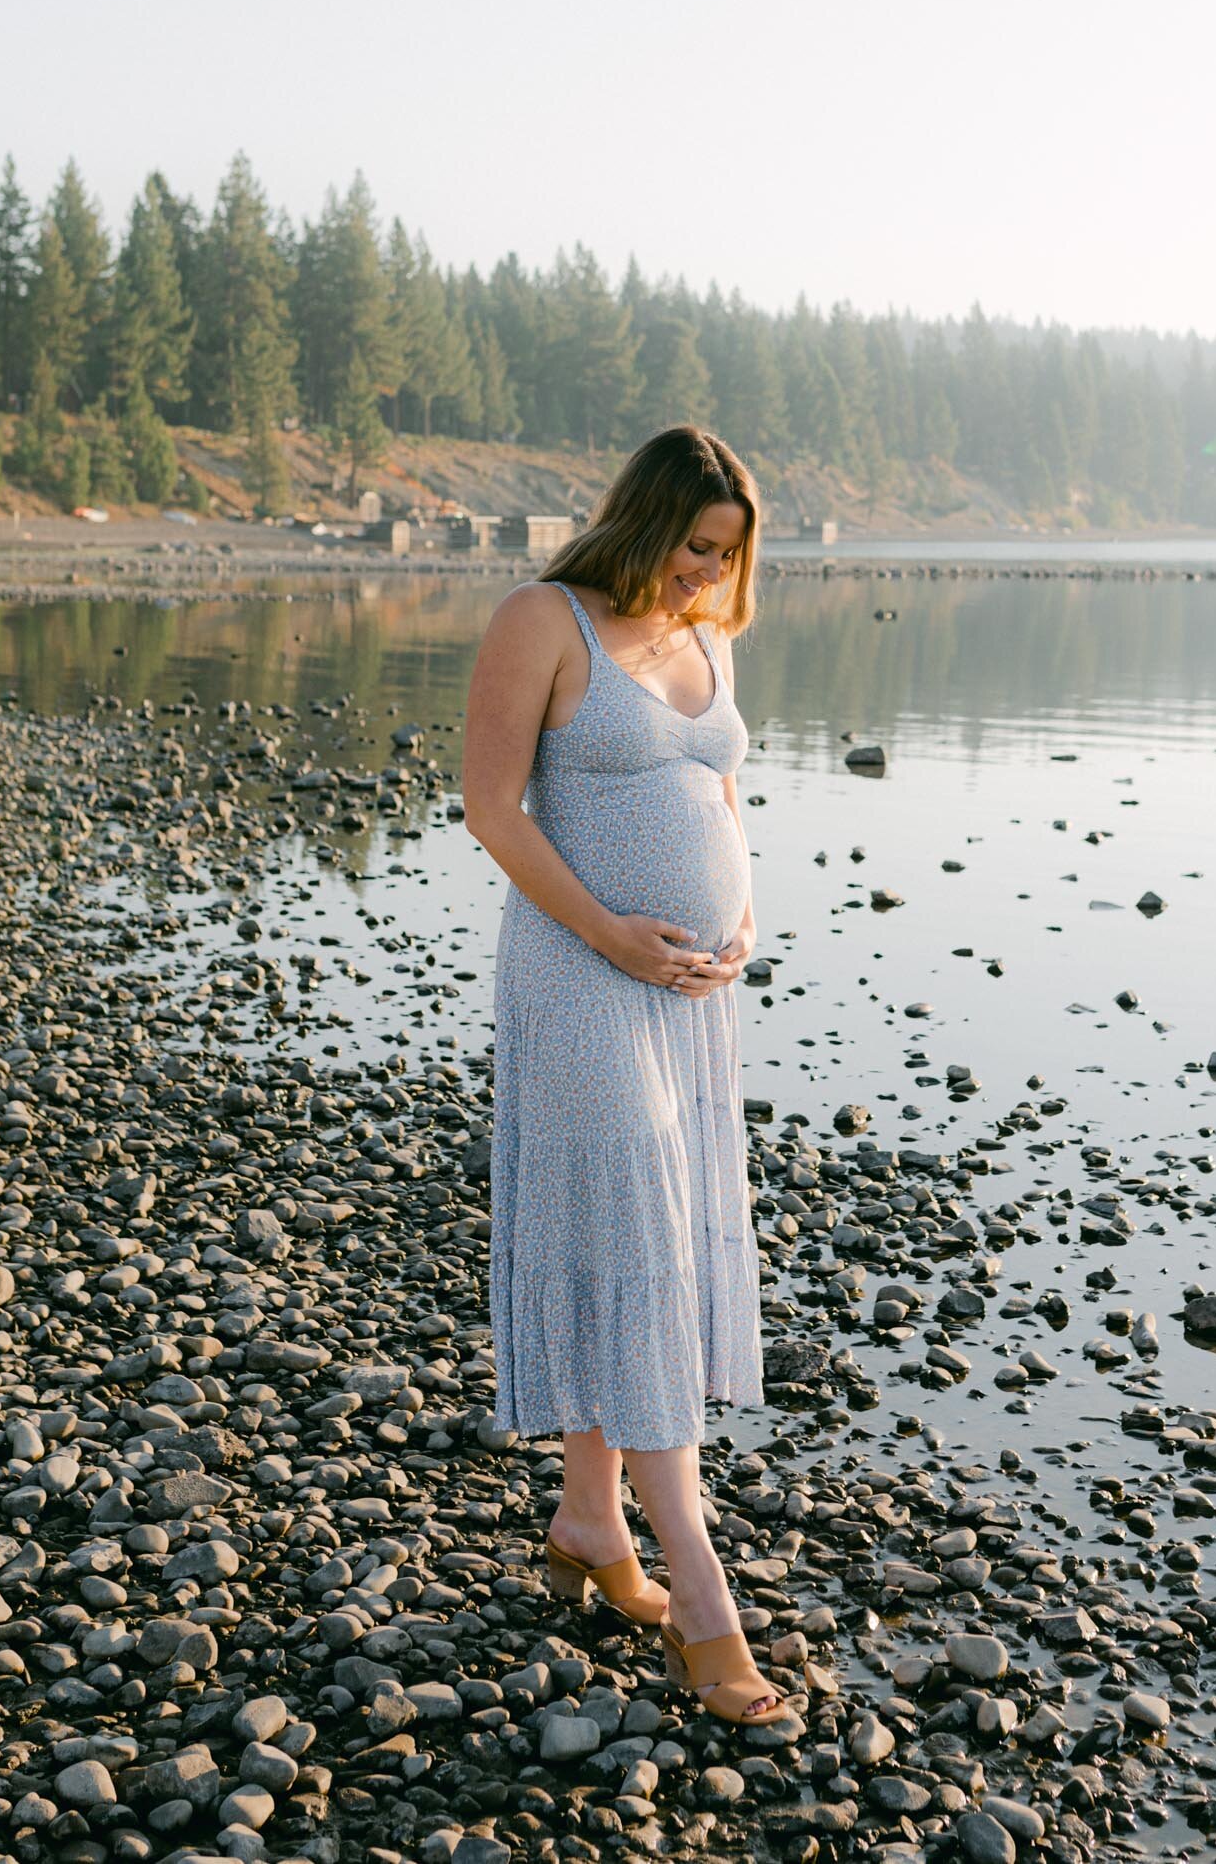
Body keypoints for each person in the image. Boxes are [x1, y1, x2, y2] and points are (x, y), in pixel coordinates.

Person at [462, 423, 786, 1726]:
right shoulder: (543, 621)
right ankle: (703, 1598)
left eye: (729, 555)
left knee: (637, 1239)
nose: (709, 572)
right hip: (580, 975)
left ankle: (591, 1522)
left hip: (689, 997)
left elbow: (722, 802)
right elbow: (492, 809)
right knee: (640, 1244)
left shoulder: (707, 638)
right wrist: (610, 933)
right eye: (696, 545)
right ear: (645, 518)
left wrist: (742, 918)